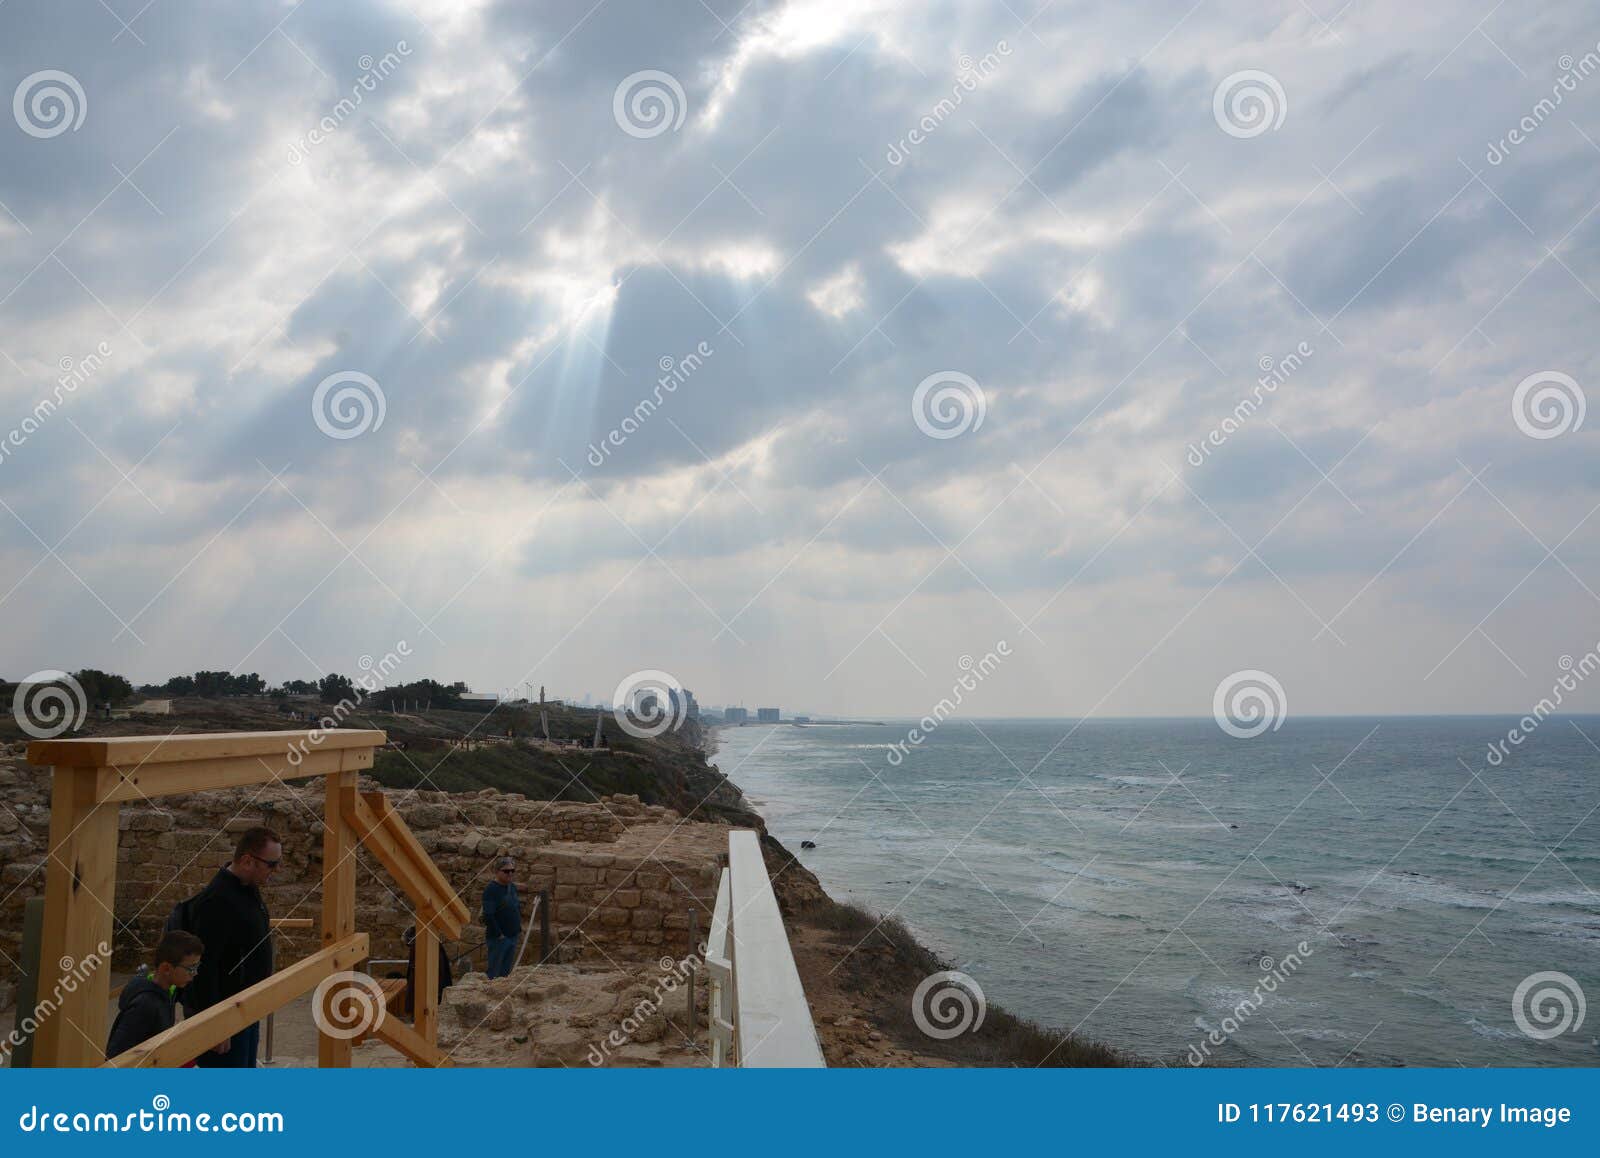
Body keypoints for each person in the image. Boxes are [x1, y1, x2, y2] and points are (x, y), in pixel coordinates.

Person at [186, 826, 281, 1068]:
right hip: (225, 1018)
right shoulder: (217, 900)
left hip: (245, 1009)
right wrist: (215, 1024)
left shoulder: (248, 889)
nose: (275, 871)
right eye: (271, 864)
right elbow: (203, 968)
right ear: (248, 860)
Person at [105, 930, 204, 1059]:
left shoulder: (169, 990)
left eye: (197, 967)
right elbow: (115, 1055)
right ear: (166, 969)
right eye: (191, 968)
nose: (195, 973)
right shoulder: (144, 1005)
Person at [481, 857, 520, 979]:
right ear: (497, 872)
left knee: (505, 972)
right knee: (494, 971)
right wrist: (499, 934)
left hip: (512, 935)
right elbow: (488, 915)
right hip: (499, 939)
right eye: (506, 871)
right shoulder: (491, 890)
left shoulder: (511, 887)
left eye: (512, 870)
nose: (510, 873)